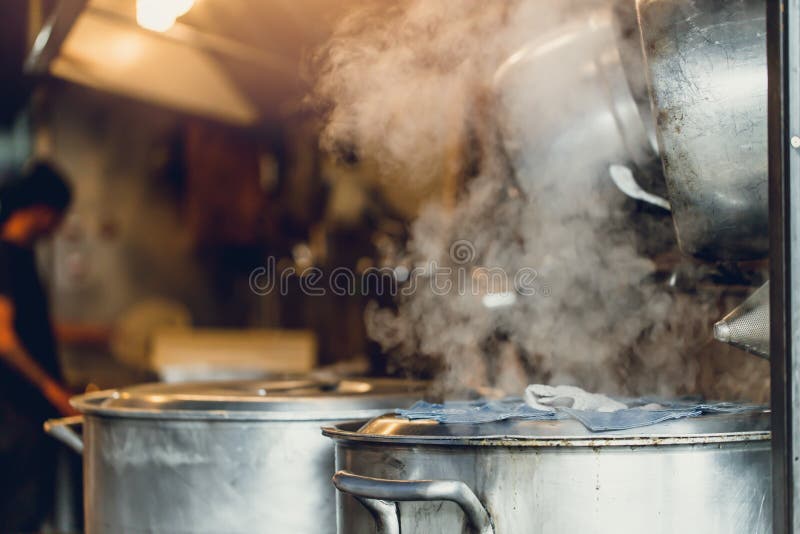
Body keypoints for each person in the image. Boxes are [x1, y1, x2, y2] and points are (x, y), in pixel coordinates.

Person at [0, 161, 75, 532]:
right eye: (60, 216)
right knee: (18, 516)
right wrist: (51, 388)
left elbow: (30, 327)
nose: (59, 227)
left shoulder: (19, 254)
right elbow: (3, 337)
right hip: (15, 414)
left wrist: (100, 334)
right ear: (45, 211)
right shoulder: (6, 254)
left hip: (23, 413)